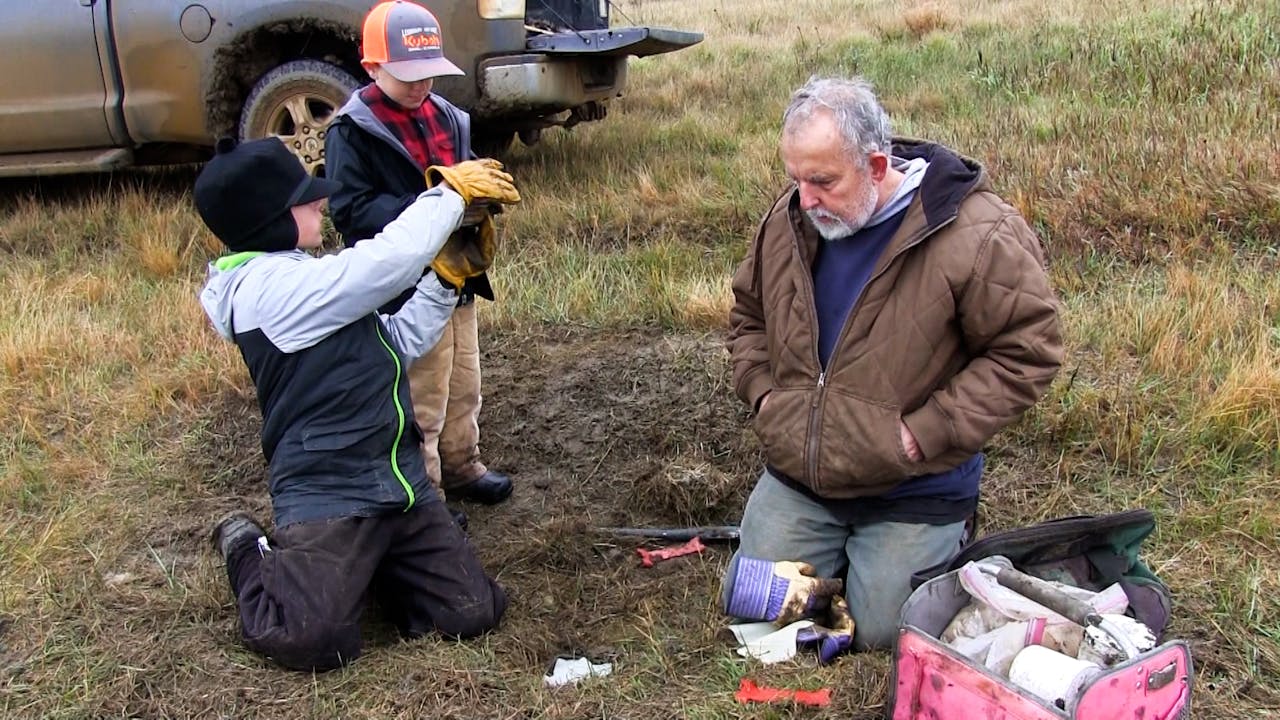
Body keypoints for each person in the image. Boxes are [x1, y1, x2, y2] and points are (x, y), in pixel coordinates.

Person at [720, 76, 1063, 654]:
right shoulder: (789, 220)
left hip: (914, 485)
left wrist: (921, 434)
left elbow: (1028, 350)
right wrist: (766, 398)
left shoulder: (977, 231)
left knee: (883, 632)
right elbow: (748, 317)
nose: (805, 199)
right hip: (803, 474)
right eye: (796, 178)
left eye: (823, 181)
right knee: (751, 603)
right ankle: (842, 559)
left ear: (877, 167)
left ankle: (927, 549)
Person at [195, 136, 520, 671]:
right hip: (327, 493)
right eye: (303, 199)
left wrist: (444, 282)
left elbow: (395, 344)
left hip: (399, 482)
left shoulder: (302, 279)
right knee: (310, 638)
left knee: (470, 612)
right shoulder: (264, 291)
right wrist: (449, 196)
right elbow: (384, 265)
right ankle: (247, 549)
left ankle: (370, 566)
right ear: (267, 218)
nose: (319, 203)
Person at [324, 0, 513, 515]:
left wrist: (479, 203)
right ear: (372, 67)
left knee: (464, 380)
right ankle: (425, 492)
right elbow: (351, 210)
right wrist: (435, 205)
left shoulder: (448, 116)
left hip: (458, 273)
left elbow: (467, 173)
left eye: (428, 72)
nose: (420, 84)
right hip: (407, 286)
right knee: (422, 392)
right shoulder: (351, 130)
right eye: (407, 75)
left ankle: (462, 463)